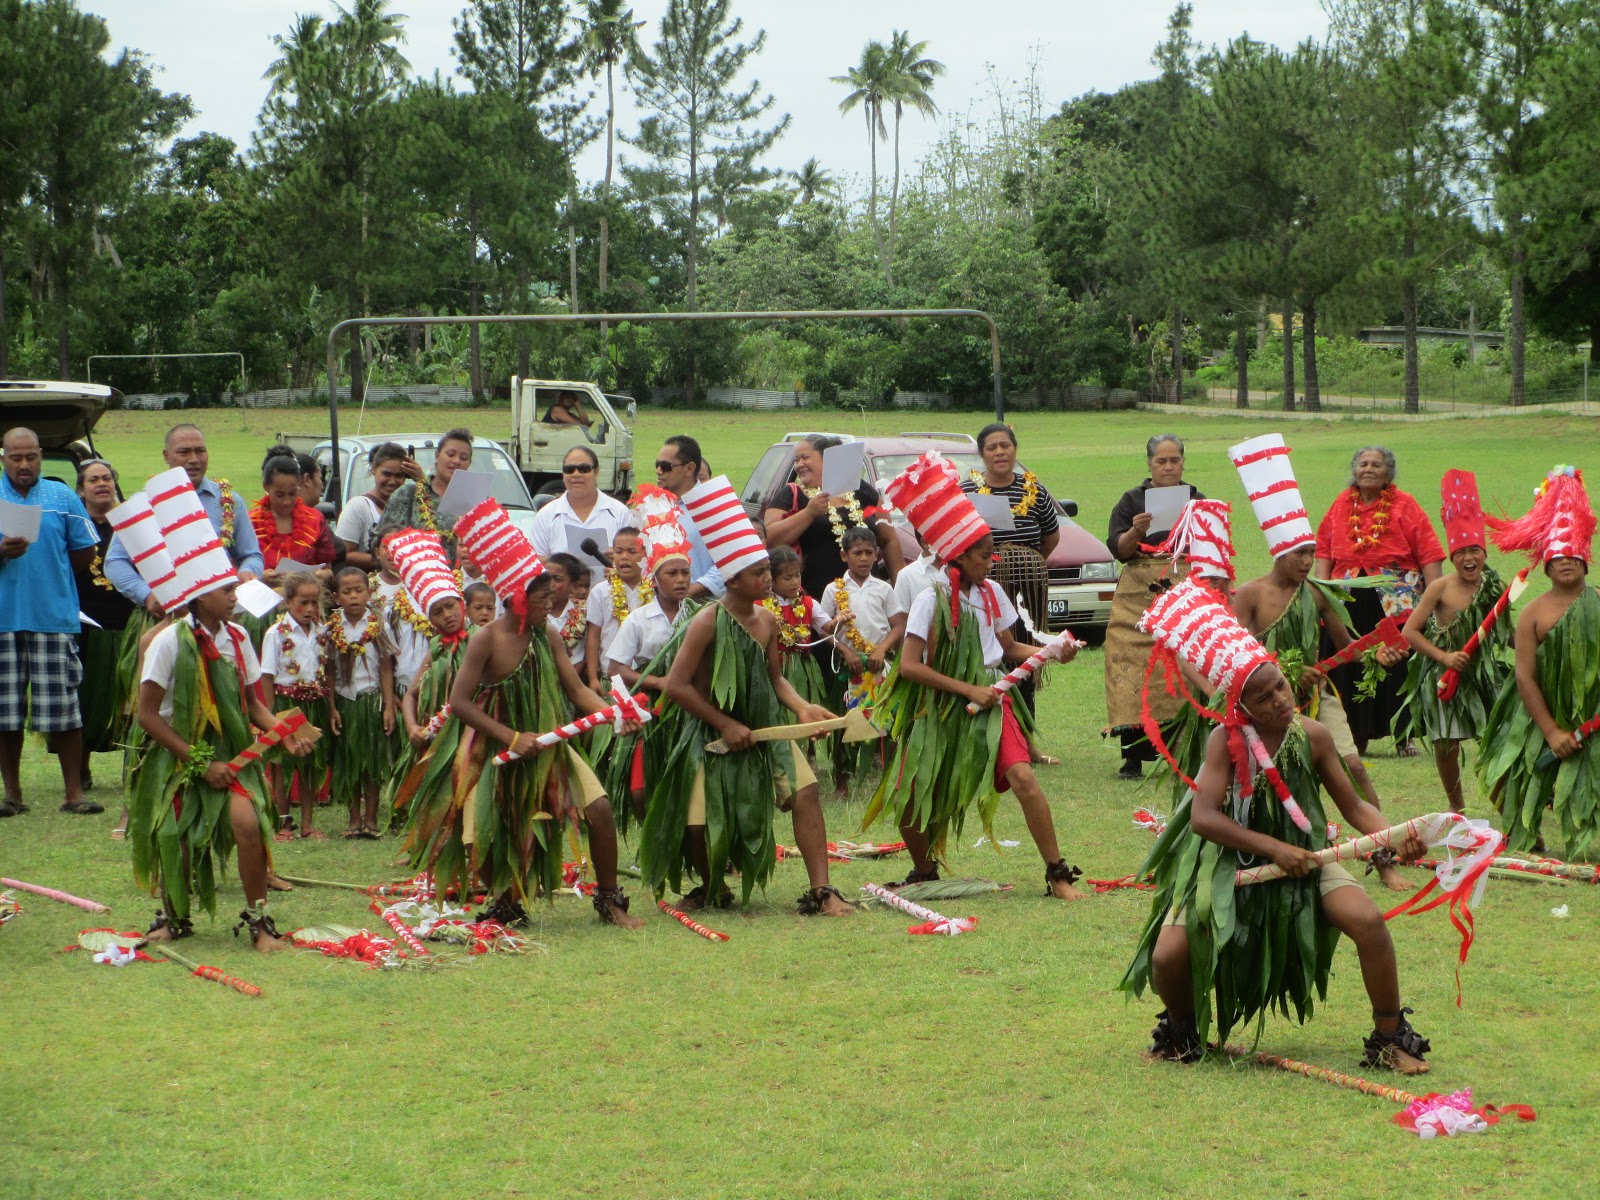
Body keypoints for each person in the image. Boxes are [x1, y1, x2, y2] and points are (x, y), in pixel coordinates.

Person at [1122, 579, 1432, 1073]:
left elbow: (1355, 807)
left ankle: (1390, 1038)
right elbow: (1203, 818)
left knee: (1368, 922)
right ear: (1241, 706)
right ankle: (1181, 1035)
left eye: (1281, 686)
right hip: (1228, 864)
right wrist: (1272, 848)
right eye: (1264, 697)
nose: (1281, 701)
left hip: (1306, 855)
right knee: (1167, 957)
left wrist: (1393, 838)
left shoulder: (1313, 735)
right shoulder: (1223, 743)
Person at [407, 499, 643, 929]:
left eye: (550, 596)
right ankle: (506, 903)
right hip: (491, 746)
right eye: (541, 598)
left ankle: (610, 900)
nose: (550, 604)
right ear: (517, 599)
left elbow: (576, 690)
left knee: (600, 810)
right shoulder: (486, 640)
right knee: (487, 827)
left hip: (546, 741)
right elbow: (460, 703)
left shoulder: (547, 634)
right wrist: (512, 737)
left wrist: (613, 712)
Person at [867, 451, 1088, 899]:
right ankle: (923, 871)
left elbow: (1007, 649)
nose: (993, 561)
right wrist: (968, 688)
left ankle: (1057, 874)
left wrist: (1052, 652)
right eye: (985, 556)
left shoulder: (991, 592)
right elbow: (910, 666)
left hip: (992, 701)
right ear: (960, 556)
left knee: (1024, 779)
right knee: (910, 792)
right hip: (941, 704)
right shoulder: (930, 598)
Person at [646, 473, 855, 916]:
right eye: (758, 572)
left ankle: (822, 890)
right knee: (697, 821)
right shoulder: (706, 621)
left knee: (806, 792)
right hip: (709, 731)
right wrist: (724, 723)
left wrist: (802, 707)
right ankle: (713, 887)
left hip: (764, 727)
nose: (767, 578)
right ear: (732, 580)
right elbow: (678, 686)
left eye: (766, 570)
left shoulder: (767, 620)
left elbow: (775, 678)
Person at [126, 473, 312, 949]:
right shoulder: (169, 642)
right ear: (199, 595)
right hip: (181, 753)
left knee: (248, 826)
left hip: (233, 755)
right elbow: (148, 716)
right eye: (226, 590)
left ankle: (258, 921)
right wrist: (198, 761)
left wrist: (284, 731)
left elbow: (252, 705)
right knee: (175, 834)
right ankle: (173, 916)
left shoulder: (238, 637)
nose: (235, 596)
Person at [1226, 435, 1408, 892]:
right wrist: (1283, 675)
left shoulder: (1317, 593)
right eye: (1300, 554)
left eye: (1312, 553)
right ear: (1278, 553)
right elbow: (1237, 654)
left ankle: (1384, 858)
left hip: (1316, 694)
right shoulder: (1249, 595)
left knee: (1355, 768)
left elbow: (1347, 644)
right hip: (1262, 703)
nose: (1309, 562)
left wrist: (1375, 654)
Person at [1478, 466, 1600, 854]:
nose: (1566, 562)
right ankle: (1525, 832)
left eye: (1574, 556)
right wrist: (1550, 731)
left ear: (1585, 561)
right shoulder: (1533, 612)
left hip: (1594, 710)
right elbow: (1525, 677)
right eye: (1558, 557)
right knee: (1500, 770)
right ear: (1546, 564)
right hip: (1539, 711)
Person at [1315, 446, 1444, 756]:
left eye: (1376, 465)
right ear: (1354, 470)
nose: (1368, 469)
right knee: (1349, 666)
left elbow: (1428, 552)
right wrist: (1323, 591)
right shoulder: (1341, 504)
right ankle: (1354, 735)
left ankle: (1404, 736)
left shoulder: (1405, 504)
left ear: (1389, 473)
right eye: (1363, 464)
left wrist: (1435, 598)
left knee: (1398, 668)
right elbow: (1324, 549)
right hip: (1347, 600)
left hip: (1395, 602)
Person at [1398, 472, 1511, 815]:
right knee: (1445, 743)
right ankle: (1456, 807)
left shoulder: (1495, 587)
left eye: (1474, 550)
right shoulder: (1440, 588)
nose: (1468, 558)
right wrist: (1444, 657)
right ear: (1451, 557)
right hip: (1444, 676)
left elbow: (1506, 631)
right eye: (1460, 552)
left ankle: (1507, 807)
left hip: (1482, 675)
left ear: (1484, 553)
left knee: (1496, 742)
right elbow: (1410, 633)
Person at [0, 429, 99, 817]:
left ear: (40, 456)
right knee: (5, 712)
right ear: (4, 459)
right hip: (4, 619)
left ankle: (74, 794)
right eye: (16, 458)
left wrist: (53, 574)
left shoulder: (62, 497)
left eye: (31, 457)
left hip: (53, 617)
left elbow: (85, 550)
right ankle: (12, 795)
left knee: (64, 709)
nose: (24, 464)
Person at [1104, 434, 1205, 780]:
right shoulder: (1131, 500)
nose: (1168, 467)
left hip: (1184, 590)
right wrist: (1136, 531)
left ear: (1183, 463)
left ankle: (1182, 752)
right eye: (1161, 461)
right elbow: (1119, 549)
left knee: (1181, 666)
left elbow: (1211, 547)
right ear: (1149, 464)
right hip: (1138, 594)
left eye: (1174, 460)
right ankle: (1132, 757)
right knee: (1131, 667)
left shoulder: (1197, 500)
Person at [106, 423, 263, 616]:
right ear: (166, 456)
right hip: (165, 615)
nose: (194, 459)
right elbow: (115, 562)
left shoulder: (228, 501)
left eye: (200, 451)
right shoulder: (142, 504)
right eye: (184, 452)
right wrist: (146, 595)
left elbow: (251, 554)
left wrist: (248, 571)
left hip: (219, 616)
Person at [383, 530, 471, 830]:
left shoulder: (481, 641)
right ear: (429, 619)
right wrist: (411, 726)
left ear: (462, 603)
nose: (447, 615)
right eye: (437, 611)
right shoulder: (435, 651)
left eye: (451, 605)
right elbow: (410, 695)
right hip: (440, 736)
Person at [762, 433, 904, 601]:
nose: (799, 465)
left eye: (805, 458)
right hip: (815, 600)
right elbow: (769, 540)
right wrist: (808, 513)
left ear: (827, 459)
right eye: (796, 460)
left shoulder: (860, 490)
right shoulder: (791, 495)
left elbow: (889, 539)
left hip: (868, 596)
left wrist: (900, 592)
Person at [817, 524, 905, 793]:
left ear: (877, 555)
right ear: (844, 556)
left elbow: (898, 625)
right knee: (846, 718)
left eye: (869, 552)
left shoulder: (883, 588)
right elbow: (822, 628)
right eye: (857, 553)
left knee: (886, 718)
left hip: (879, 662)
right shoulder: (834, 589)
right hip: (849, 665)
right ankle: (842, 779)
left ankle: (888, 776)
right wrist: (846, 651)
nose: (864, 558)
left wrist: (882, 649)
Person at [72, 459, 135, 799]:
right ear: (81, 489)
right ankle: (80, 768)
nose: (102, 484)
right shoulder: (74, 523)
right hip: (85, 624)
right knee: (84, 698)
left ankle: (133, 767)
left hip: (127, 622)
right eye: (93, 479)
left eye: (107, 478)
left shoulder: (130, 524)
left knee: (130, 700)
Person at [325, 567, 397, 839]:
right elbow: (329, 670)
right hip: (345, 701)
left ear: (369, 593)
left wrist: (388, 705)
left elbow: (386, 667)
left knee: (371, 762)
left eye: (359, 590)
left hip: (371, 699)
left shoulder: (378, 624)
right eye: (347, 592)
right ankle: (354, 820)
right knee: (349, 760)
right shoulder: (332, 628)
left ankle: (371, 820)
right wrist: (332, 706)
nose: (353, 596)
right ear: (336, 597)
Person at [259, 572, 332, 839]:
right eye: (304, 602)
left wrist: (331, 707)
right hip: (286, 704)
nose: (310, 609)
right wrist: (271, 716)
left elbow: (327, 671)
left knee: (310, 762)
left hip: (314, 703)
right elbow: (267, 675)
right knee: (283, 765)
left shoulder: (322, 632)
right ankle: (283, 822)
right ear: (288, 602)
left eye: (315, 602)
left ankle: (308, 825)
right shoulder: (276, 634)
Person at [376, 428, 475, 560]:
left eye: (463, 458)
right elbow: (380, 543)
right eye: (450, 454)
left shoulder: (475, 502)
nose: (457, 461)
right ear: (437, 456)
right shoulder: (407, 495)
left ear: (469, 463)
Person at [529, 446, 630, 564]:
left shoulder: (620, 512)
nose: (576, 474)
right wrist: (561, 562)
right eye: (569, 469)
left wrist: (619, 556)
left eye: (584, 469)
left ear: (596, 472)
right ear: (563, 475)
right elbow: (534, 561)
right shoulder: (546, 515)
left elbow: (637, 558)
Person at [652, 436, 725, 599]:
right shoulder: (654, 506)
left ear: (689, 469)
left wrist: (691, 592)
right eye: (657, 464)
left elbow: (732, 562)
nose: (659, 471)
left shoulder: (716, 506)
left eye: (666, 466)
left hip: (703, 607)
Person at [253, 447, 338, 580]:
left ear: (299, 485)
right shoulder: (252, 522)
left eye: (292, 493)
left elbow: (328, 569)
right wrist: (259, 577)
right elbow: (238, 569)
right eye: (279, 495)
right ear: (266, 486)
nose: (287, 501)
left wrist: (322, 575)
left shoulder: (315, 520)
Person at [766, 546, 830, 716]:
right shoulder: (760, 606)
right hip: (774, 669)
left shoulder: (808, 603)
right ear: (771, 580)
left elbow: (828, 626)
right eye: (787, 578)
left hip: (804, 668)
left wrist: (840, 620)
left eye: (797, 575)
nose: (795, 582)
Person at [583, 526, 649, 691]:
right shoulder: (600, 591)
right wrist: (593, 678)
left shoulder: (654, 590)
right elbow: (593, 637)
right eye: (619, 551)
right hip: (612, 679)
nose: (624, 557)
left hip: (648, 677)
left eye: (632, 551)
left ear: (645, 555)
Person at [336, 442, 409, 571]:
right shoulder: (358, 506)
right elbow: (343, 554)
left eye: (399, 476)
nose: (392, 482)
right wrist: (384, 560)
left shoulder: (411, 505)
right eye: (386, 474)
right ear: (374, 469)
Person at [545, 552, 591, 676]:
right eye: (546, 577)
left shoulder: (585, 612)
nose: (550, 584)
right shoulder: (533, 614)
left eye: (557, 579)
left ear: (574, 586)